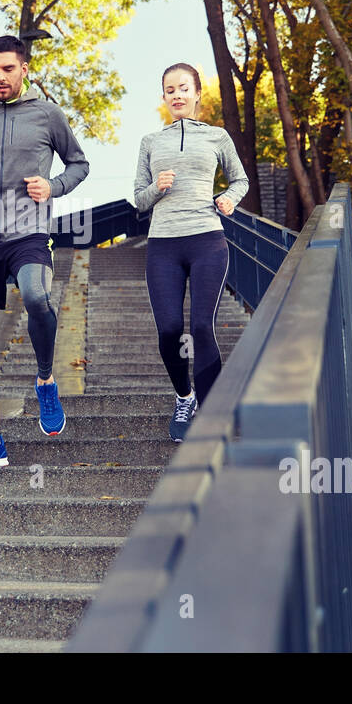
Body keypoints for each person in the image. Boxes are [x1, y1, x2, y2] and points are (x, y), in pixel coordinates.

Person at [0, 35, 90, 466]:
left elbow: (79, 164)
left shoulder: (47, 115)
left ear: (24, 68)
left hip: (28, 231)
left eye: (7, 69)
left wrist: (53, 187)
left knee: (36, 296)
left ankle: (46, 378)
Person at [132, 63, 249, 442]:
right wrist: (157, 188)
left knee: (201, 326)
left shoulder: (217, 136)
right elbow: (138, 199)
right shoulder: (151, 141)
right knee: (169, 330)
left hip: (207, 240)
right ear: (164, 97)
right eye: (170, 90)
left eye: (184, 88)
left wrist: (229, 199)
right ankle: (185, 397)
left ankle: (213, 414)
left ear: (198, 93)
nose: (177, 95)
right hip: (163, 244)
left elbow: (240, 179)